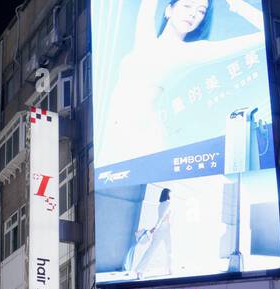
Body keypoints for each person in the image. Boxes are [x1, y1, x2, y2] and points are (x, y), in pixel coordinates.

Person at [97, 0, 268, 168]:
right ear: (169, 10)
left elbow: (265, 36)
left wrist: (237, 5)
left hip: (141, 138)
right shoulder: (145, 37)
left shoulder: (194, 52)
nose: (193, 13)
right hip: (115, 134)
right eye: (187, 5)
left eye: (201, 11)